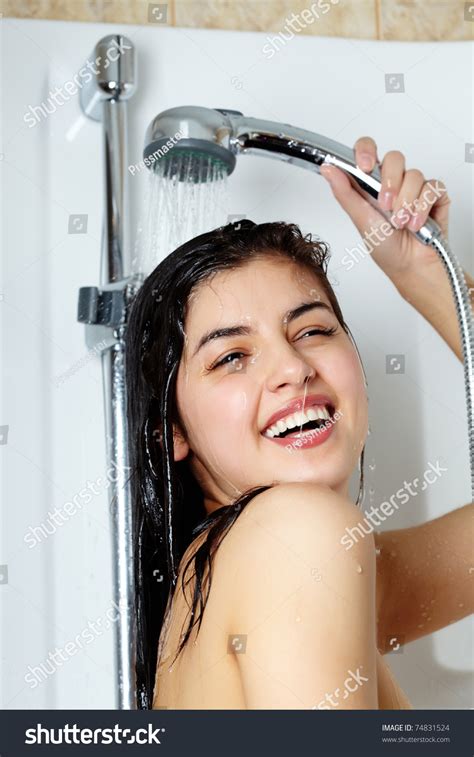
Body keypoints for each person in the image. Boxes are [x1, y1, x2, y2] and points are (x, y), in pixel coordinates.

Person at [125, 137, 473, 710]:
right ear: (172, 432)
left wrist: (428, 277)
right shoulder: (294, 534)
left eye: (311, 331)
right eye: (230, 356)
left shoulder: (264, 566)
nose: (292, 368)